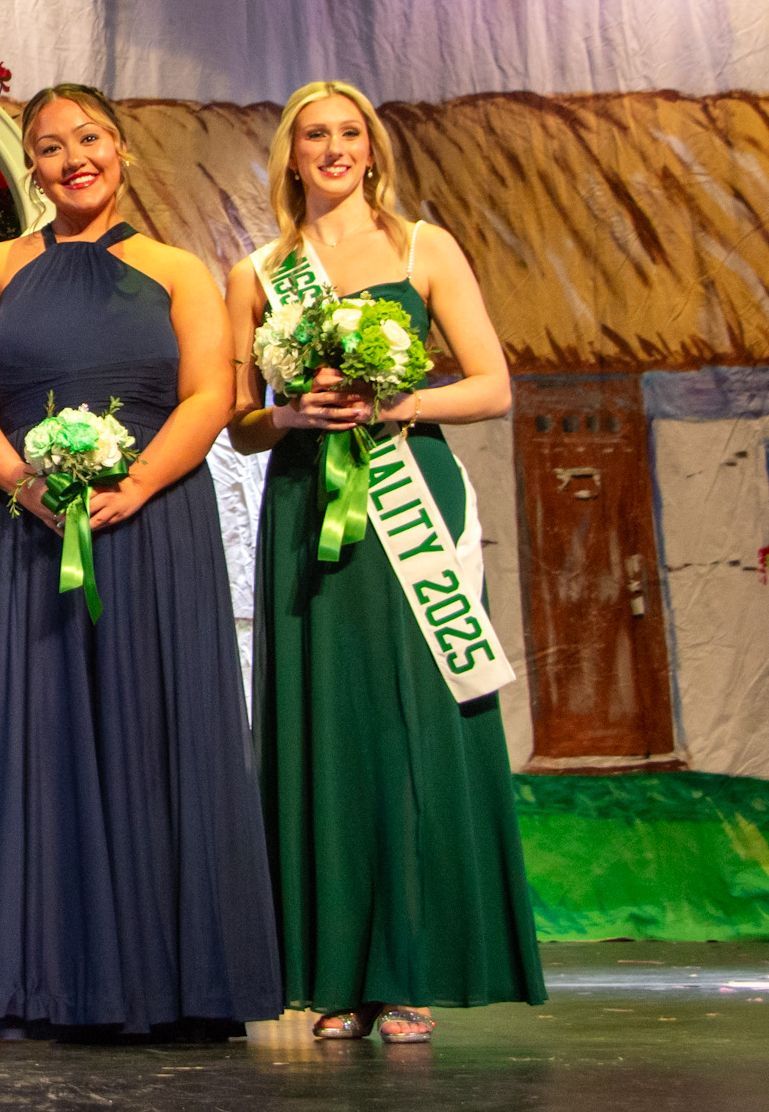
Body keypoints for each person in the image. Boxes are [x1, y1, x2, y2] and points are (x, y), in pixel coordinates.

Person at [0, 84, 282, 1038]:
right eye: (50, 146)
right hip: (19, 524)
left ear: (120, 149)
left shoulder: (177, 270)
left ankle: (174, 983)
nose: (72, 157)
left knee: (151, 727)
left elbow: (209, 395)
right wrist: (22, 481)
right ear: (30, 167)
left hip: (151, 520)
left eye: (89, 138)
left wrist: (137, 485)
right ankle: (28, 980)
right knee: (28, 735)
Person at [226, 81, 546, 1043]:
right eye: (313, 135)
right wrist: (291, 414)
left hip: (410, 503)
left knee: (414, 724)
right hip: (308, 505)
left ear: (373, 151)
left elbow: (492, 386)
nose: (332, 148)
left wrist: (399, 405)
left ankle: (407, 968)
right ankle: (331, 975)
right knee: (324, 724)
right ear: (290, 156)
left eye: (348, 134)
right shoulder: (257, 271)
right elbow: (240, 423)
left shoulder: (424, 248)